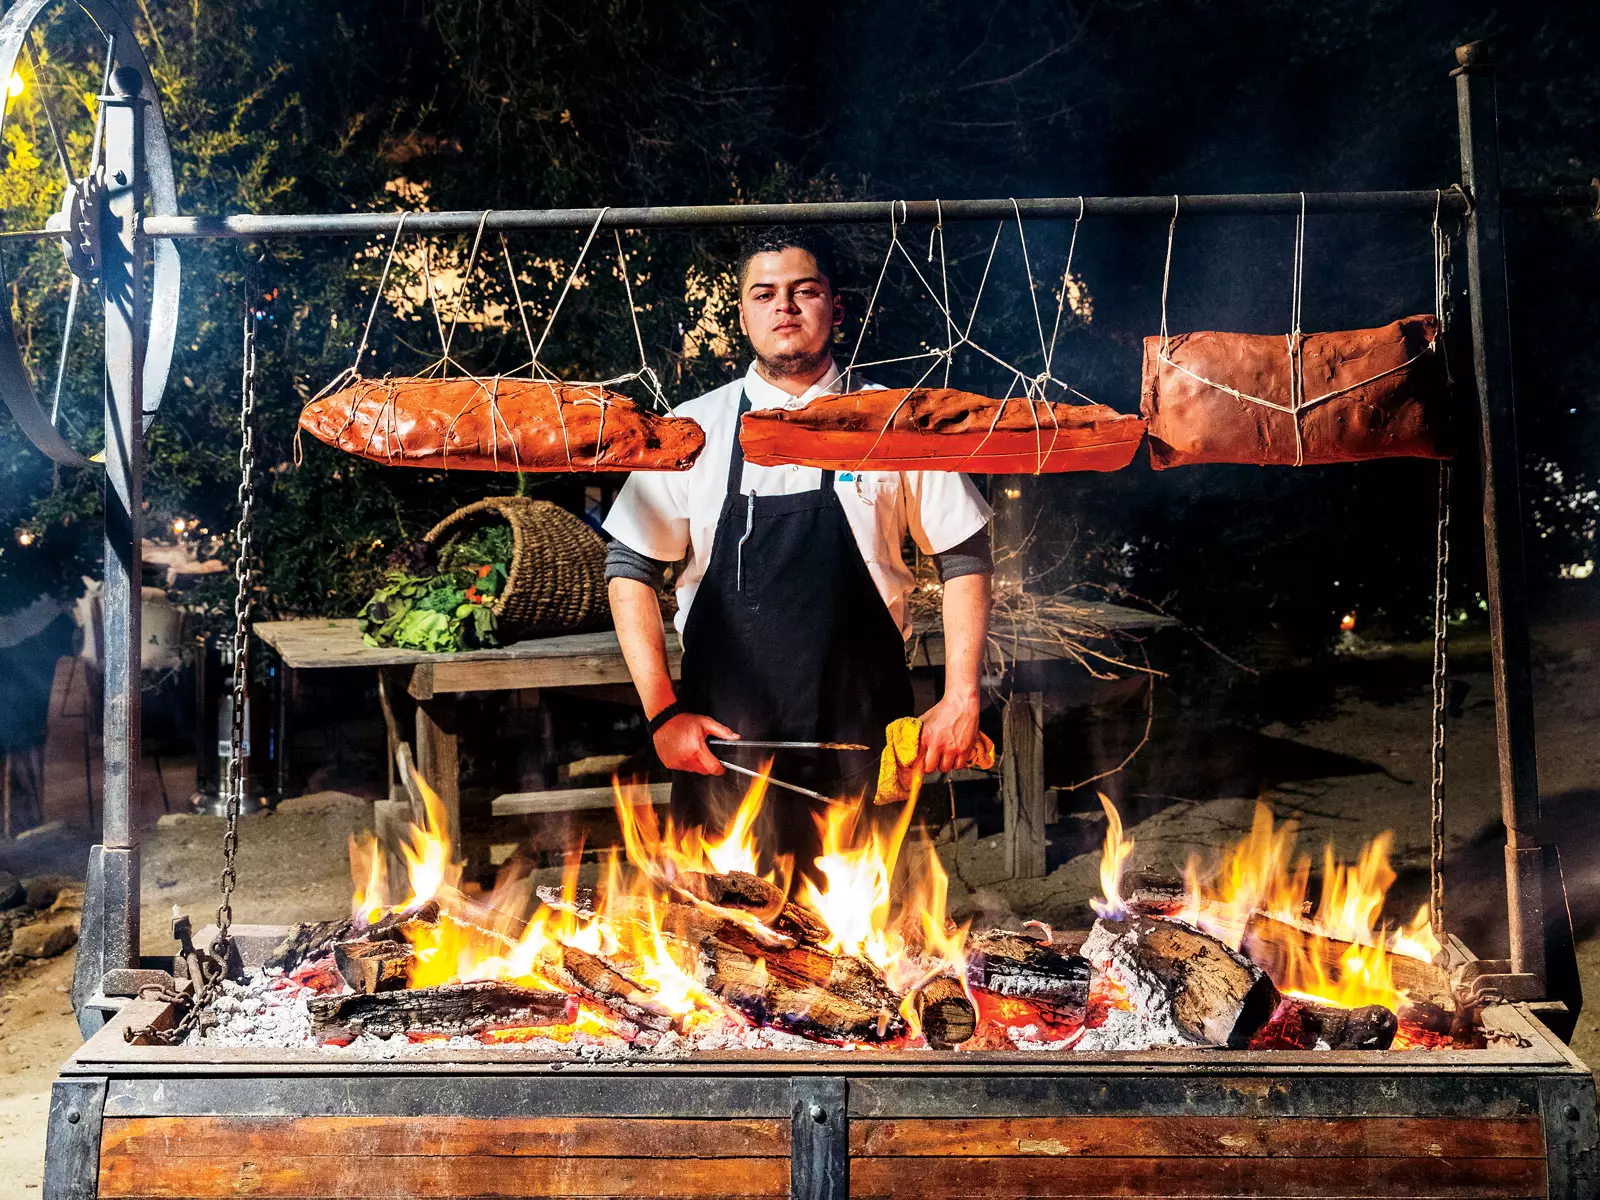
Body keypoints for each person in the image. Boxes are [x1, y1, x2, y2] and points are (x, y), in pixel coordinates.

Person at [603, 227, 992, 864]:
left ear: (834, 308)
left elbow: (965, 555)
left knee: (866, 950)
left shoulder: (892, 422)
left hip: (862, 736)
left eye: (803, 291)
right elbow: (628, 567)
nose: (784, 307)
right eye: (764, 294)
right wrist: (661, 714)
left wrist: (960, 697)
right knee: (725, 945)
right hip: (724, 744)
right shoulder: (693, 429)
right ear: (744, 315)